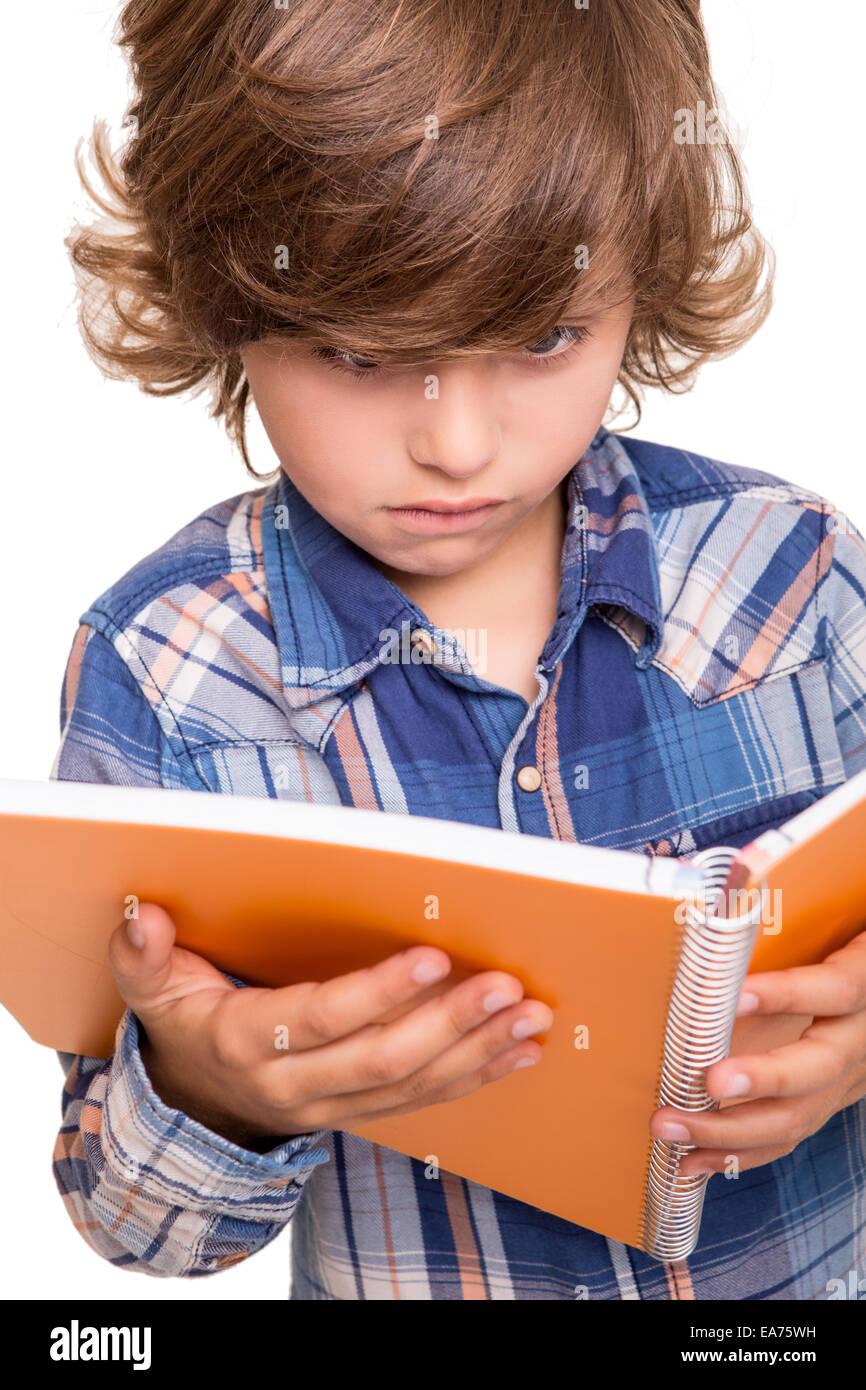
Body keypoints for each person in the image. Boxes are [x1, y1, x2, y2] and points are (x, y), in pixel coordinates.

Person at [51, 0, 866, 1299]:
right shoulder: (177, 670)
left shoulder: (791, 572)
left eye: (544, 336)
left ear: (636, 281)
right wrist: (214, 1083)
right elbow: (131, 1223)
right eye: (367, 351)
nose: (460, 444)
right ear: (223, 293)